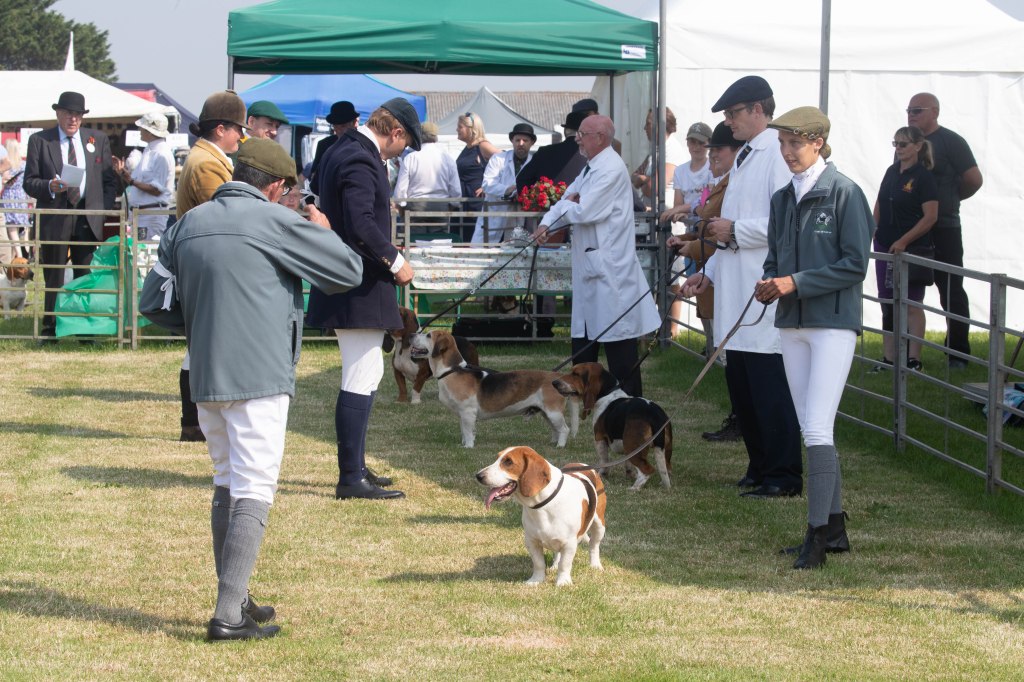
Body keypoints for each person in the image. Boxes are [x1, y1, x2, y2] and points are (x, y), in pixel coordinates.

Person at [142, 137, 364, 640]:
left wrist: (203, 322)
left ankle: (236, 595)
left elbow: (153, 303)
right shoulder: (277, 221)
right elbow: (347, 271)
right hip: (260, 372)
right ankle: (227, 614)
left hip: (204, 371)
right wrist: (321, 229)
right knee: (254, 487)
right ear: (280, 187)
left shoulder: (187, 224)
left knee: (226, 481)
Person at [755, 106, 873, 569]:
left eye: (794, 144)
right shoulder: (783, 197)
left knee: (818, 427)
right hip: (792, 322)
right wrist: (770, 282)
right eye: (782, 144)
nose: (786, 152)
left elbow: (854, 264)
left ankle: (817, 535)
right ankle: (835, 527)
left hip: (832, 323)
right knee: (811, 427)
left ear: (818, 143)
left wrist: (795, 283)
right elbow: (774, 255)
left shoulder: (845, 193)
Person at [680, 75, 803, 498]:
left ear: (757, 110)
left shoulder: (777, 155)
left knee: (769, 388)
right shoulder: (747, 155)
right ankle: (759, 464)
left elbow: (786, 224)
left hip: (762, 289)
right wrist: (708, 272)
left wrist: (736, 230)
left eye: (733, 114)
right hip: (734, 288)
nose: (728, 123)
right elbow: (726, 231)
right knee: (744, 389)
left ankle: (784, 473)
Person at [307, 98, 422, 501]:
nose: (401, 152)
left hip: (350, 279)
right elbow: (360, 224)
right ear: (396, 132)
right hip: (357, 284)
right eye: (404, 145)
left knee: (365, 373)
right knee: (361, 375)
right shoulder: (359, 156)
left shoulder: (343, 147)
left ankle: (355, 466)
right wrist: (394, 259)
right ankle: (350, 476)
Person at [533, 115, 660, 397]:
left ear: (600, 137)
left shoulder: (611, 169)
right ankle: (586, 402)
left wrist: (568, 206)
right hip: (592, 268)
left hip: (610, 271)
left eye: (582, 133)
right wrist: (546, 223)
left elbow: (585, 211)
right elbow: (568, 199)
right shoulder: (591, 167)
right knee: (586, 341)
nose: (577, 138)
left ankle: (628, 405)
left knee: (619, 348)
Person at [175, 89, 249, 442]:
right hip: (207, 263)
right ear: (221, 129)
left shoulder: (206, 157)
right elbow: (225, 215)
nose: (242, 136)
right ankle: (194, 423)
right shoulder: (206, 164)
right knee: (201, 346)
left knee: (199, 344)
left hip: (201, 261)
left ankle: (194, 422)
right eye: (239, 129)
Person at [664, 122, 745, 443]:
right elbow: (707, 230)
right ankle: (739, 416)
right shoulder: (723, 184)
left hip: (725, 275)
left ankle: (741, 419)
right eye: (709, 153)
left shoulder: (733, 185)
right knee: (724, 352)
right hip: (712, 271)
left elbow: (721, 235)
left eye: (717, 152)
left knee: (730, 353)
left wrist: (691, 245)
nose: (711, 159)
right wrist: (687, 238)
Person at [23, 91, 117, 339]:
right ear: (58, 114)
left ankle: (84, 329)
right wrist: (49, 186)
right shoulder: (40, 141)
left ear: (83, 117)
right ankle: (50, 328)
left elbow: (109, 181)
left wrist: (102, 211)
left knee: (84, 274)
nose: (73, 119)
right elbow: (29, 182)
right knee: (54, 273)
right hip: (56, 215)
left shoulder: (98, 139)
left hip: (88, 217)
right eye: (68, 114)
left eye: (77, 114)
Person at [905, 93, 982, 368]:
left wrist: (947, 200)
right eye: (908, 111)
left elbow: (974, 179)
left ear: (934, 112)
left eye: (917, 110)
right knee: (909, 289)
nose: (911, 115)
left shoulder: (952, 142)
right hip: (913, 229)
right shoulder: (908, 142)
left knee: (951, 288)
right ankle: (906, 352)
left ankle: (958, 352)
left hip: (945, 226)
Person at [872, 126, 939, 372]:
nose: (899, 149)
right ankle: (889, 358)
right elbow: (880, 202)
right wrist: (872, 229)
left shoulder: (924, 177)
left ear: (918, 146)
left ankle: (913, 358)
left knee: (911, 303)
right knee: (887, 301)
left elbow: (930, 217)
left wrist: (904, 241)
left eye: (903, 144)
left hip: (912, 248)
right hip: (885, 244)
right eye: (896, 144)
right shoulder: (891, 172)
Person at [661, 121, 714, 336]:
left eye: (701, 142)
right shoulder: (682, 170)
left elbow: (707, 206)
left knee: (709, 291)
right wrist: (686, 210)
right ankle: (710, 343)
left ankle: (714, 343)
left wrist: (685, 209)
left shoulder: (714, 168)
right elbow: (680, 206)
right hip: (694, 235)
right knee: (698, 291)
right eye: (692, 141)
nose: (696, 146)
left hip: (709, 235)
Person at [112, 112, 175, 240]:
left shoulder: (161, 154)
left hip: (151, 216)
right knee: (140, 254)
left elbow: (157, 190)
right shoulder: (150, 150)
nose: (139, 130)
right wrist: (125, 175)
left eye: (142, 128)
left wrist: (131, 181)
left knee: (146, 255)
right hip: (143, 214)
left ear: (150, 131)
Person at [392, 121, 460, 234]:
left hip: (415, 207)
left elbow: (400, 190)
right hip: (441, 206)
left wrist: (402, 207)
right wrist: (452, 206)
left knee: (415, 243)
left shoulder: (411, 158)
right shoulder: (448, 159)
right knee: (439, 242)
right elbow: (456, 190)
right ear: (436, 137)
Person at [473, 123, 536, 243]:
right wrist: (507, 190)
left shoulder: (534, 162)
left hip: (519, 220)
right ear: (512, 141)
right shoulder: (498, 159)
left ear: (532, 142)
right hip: (494, 218)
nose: (521, 144)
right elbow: (487, 184)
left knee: (515, 254)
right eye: (517, 140)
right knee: (484, 255)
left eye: (525, 140)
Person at [454, 112, 499, 242]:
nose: (457, 129)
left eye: (460, 126)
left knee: (473, 242)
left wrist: (489, 186)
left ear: (471, 129)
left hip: (475, 204)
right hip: (465, 203)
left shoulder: (482, 146)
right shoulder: (468, 148)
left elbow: (505, 160)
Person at [632, 107, 687, 209]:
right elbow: (633, 176)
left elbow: (653, 188)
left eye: (648, 123)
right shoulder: (656, 149)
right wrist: (646, 179)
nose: (644, 128)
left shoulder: (672, 149)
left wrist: (644, 180)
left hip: (665, 218)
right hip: (654, 214)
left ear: (659, 125)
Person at [309, 100, 360, 184]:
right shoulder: (324, 144)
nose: (339, 130)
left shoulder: (364, 143)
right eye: (335, 126)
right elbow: (314, 175)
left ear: (354, 123)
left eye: (343, 126)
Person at [2, 139, 31, 263]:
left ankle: (20, 256)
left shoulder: (7, 166)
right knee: (19, 230)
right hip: (21, 197)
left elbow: (4, 182)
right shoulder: (23, 164)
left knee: (11, 230)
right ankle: (22, 253)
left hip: (9, 197)